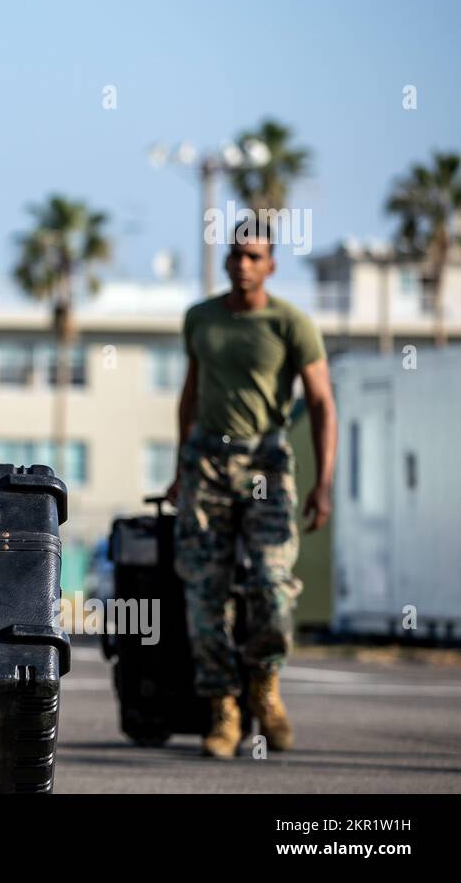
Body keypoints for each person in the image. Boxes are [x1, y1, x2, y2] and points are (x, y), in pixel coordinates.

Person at [164, 216, 337, 758]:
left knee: (270, 583)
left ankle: (264, 684)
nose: (242, 264)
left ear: (271, 265)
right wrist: (178, 468)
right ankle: (224, 709)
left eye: (253, 256)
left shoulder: (291, 323)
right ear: (225, 261)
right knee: (204, 590)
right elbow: (190, 395)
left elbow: (323, 402)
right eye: (235, 254)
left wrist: (323, 483)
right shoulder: (201, 319)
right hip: (207, 464)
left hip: (266, 461)